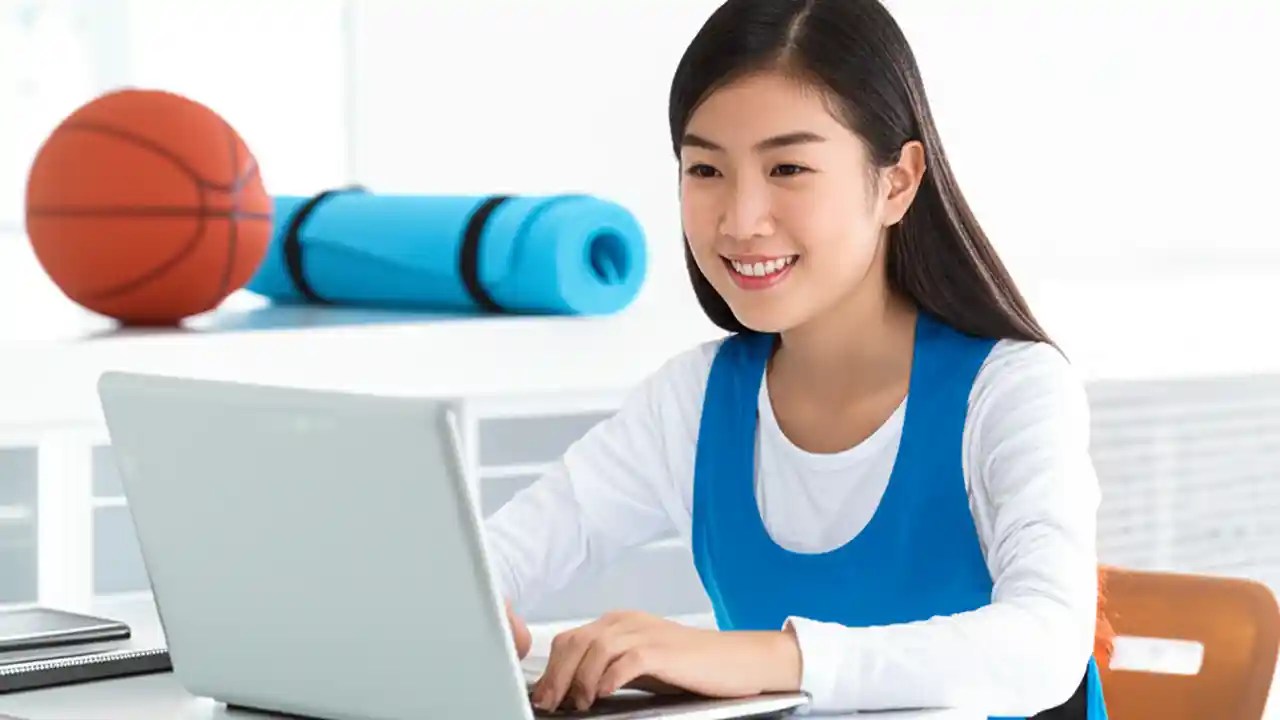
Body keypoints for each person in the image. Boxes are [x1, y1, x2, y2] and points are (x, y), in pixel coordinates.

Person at [484, 1, 1111, 718]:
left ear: (897, 182)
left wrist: (763, 658)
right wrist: (458, 606)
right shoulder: (694, 400)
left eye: (788, 167)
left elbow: (1044, 647)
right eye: (705, 169)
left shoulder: (1012, 388)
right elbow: (496, 559)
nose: (741, 219)